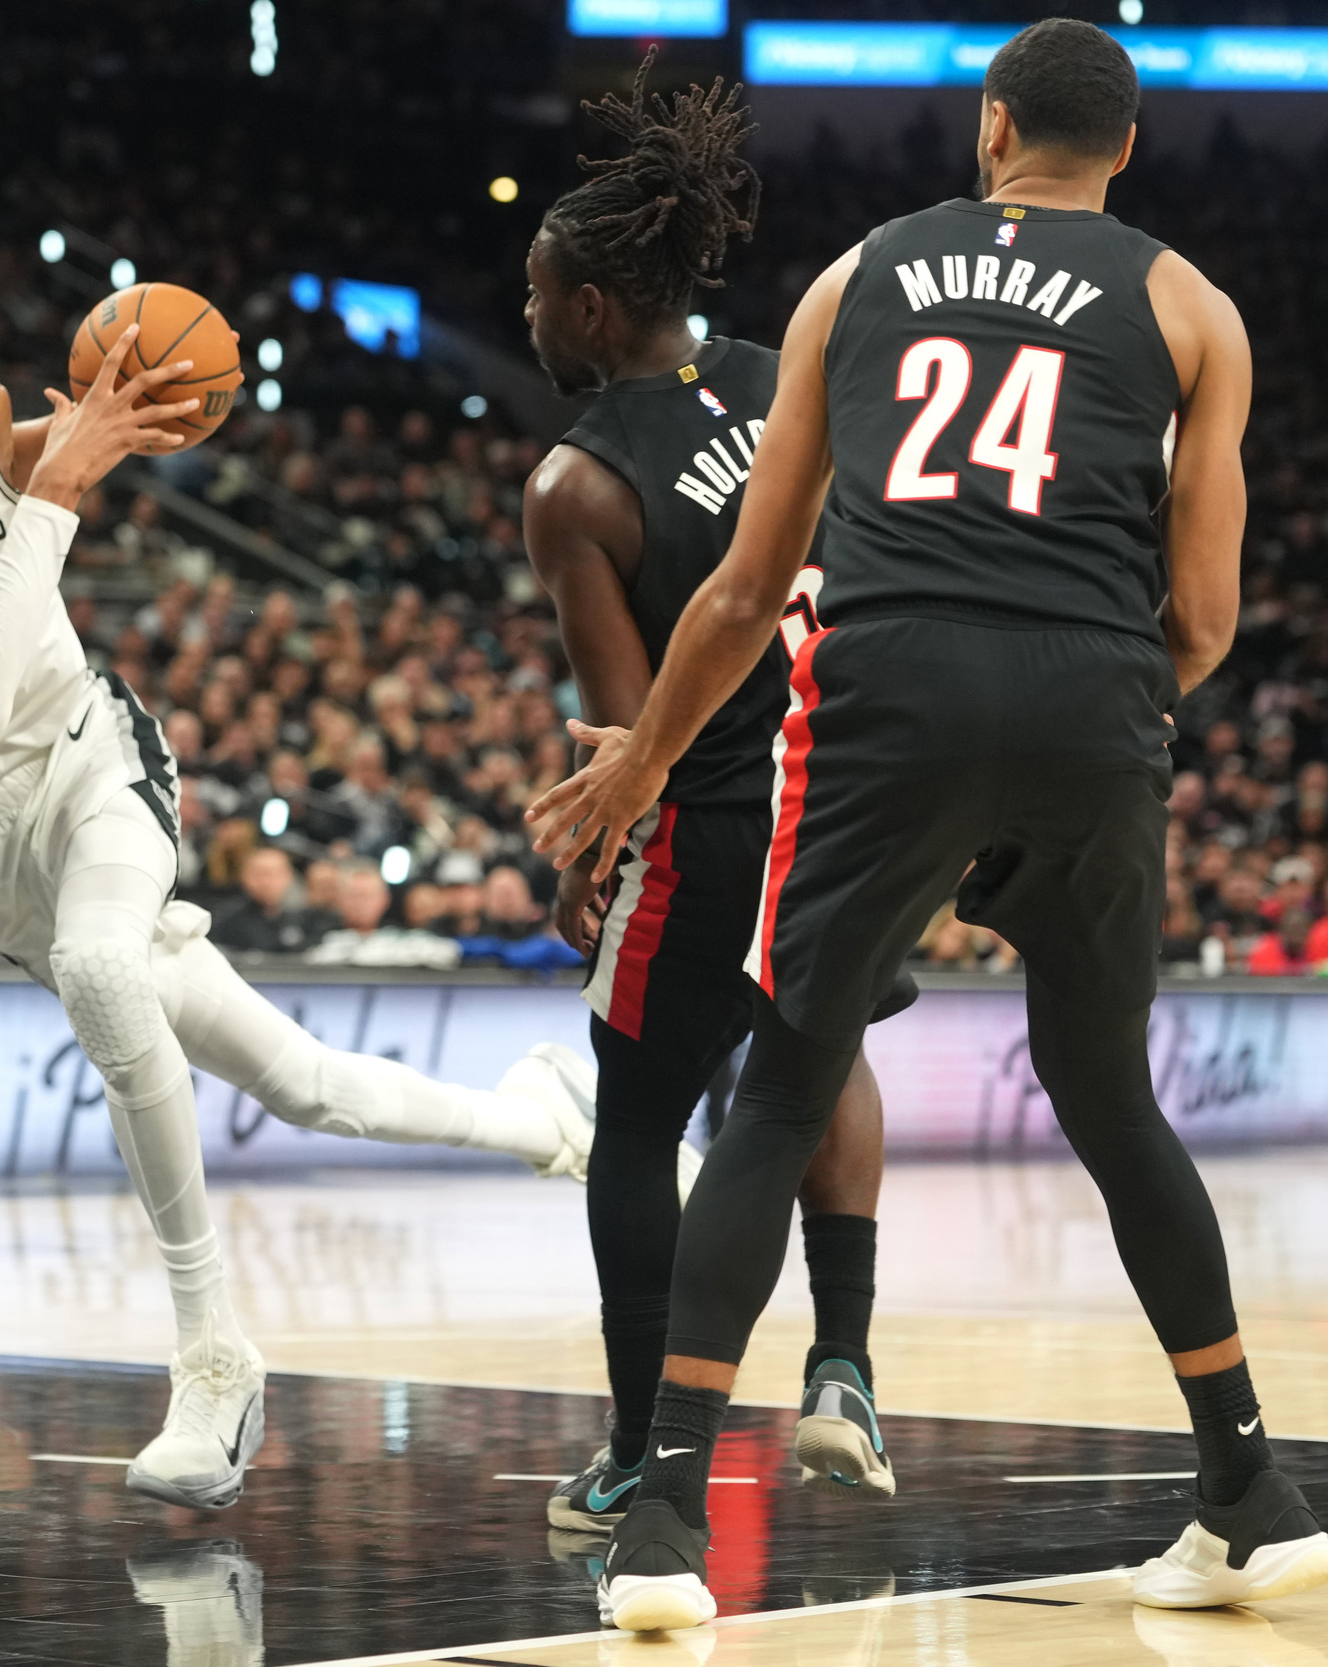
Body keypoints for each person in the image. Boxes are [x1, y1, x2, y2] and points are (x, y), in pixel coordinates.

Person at [531, 20, 1328, 1628]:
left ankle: (666, 1520)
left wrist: (635, 764)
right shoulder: (1194, 308)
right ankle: (1247, 1487)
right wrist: (1085, 705)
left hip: (886, 696)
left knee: (783, 1085)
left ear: (990, 129)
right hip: (1096, 699)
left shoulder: (857, 277)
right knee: (1112, 1098)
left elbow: (747, 591)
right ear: (1126, 151)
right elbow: (1202, 617)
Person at [0, 267, 598, 1511]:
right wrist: (62, 480)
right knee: (305, 1083)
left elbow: (35, 482)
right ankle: (548, 1120)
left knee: (102, 964)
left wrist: (123, 423)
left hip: (93, 756)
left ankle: (213, 1358)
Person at [516, 63, 901, 1540]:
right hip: (844, 794)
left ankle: (638, 1448)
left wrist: (588, 856)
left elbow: (634, 733)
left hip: (715, 821)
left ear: (593, 308)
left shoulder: (577, 483)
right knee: (818, 1054)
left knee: (634, 1120)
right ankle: (844, 1361)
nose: (529, 316)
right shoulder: (777, 371)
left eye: (538, 295)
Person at [208, 845, 328, 956]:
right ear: (243, 876)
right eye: (259, 874)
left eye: (274, 873)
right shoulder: (225, 920)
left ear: (289, 876)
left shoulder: (310, 919)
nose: (266, 882)